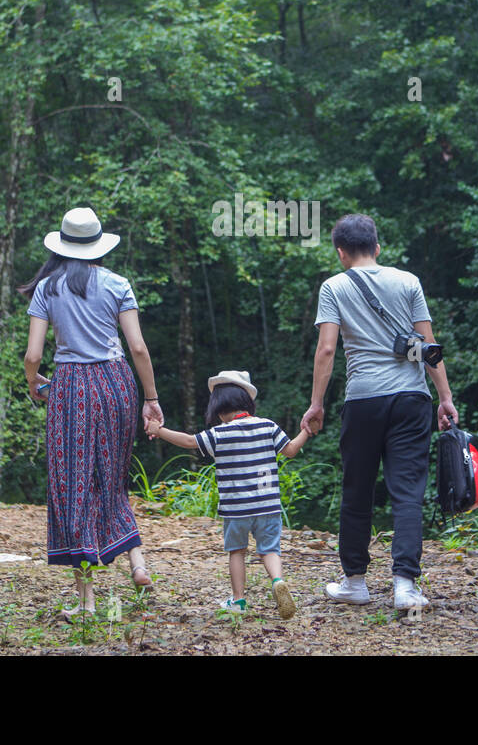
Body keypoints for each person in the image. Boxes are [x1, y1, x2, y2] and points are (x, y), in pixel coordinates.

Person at [300, 214, 457, 611]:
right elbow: (429, 345)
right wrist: (445, 398)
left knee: (357, 490)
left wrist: (317, 403)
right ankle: (405, 586)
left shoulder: (334, 286)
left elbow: (327, 350)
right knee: (407, 492)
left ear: (340, 253)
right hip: (411, 398)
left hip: (363, 400)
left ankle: (355, 582)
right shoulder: (408, 282)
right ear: (378, 247)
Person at [21, 206, 164, 617]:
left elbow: (33, 355)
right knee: (114, 476)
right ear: (98, 245)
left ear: (63, 247)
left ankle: (86, 602)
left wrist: (35, 383)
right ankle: (137, 563)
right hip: (117, 383)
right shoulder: (118, 283)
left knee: (73, 485)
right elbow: (137, 347)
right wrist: (150, 398)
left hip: (70, 388)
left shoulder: (47, 288)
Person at [147, 370, 312, 618]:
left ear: (219, 408)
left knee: (237, 551)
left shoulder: (220, 433)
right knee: (269, 550)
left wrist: (159, 430)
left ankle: (238, 601)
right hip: (268, 505)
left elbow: (190, 441)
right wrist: (307, 431)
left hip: (236, 509)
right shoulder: (268, 425)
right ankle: (278, 581)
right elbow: (290, 450)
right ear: (247, 402)